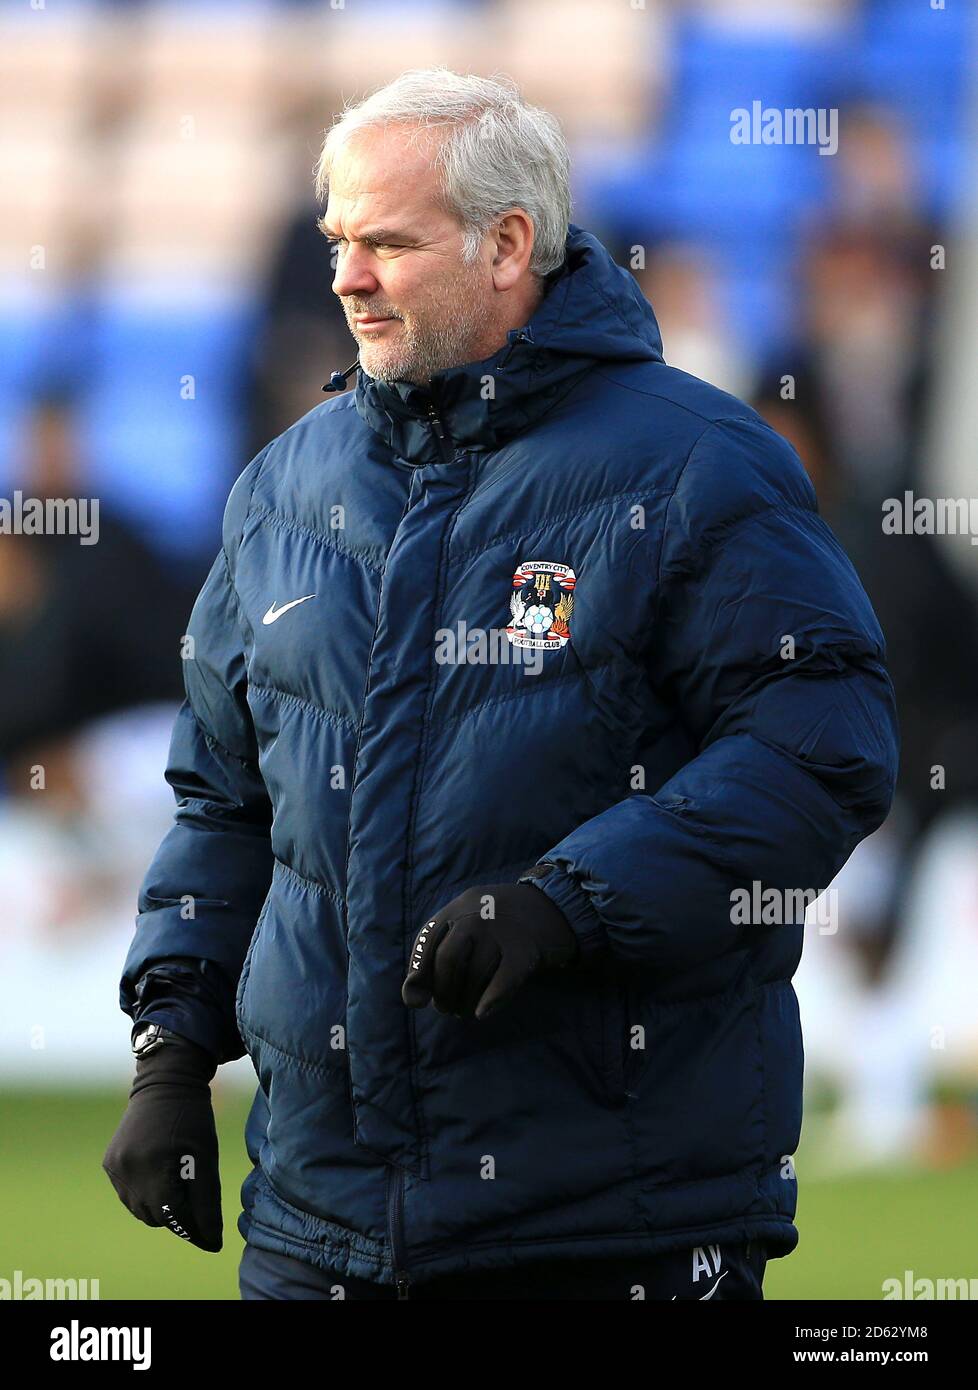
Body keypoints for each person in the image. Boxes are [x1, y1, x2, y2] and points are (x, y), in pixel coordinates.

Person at [102, 68, 899, 1301]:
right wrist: (169, 1053)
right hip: (314, 1234)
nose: (345, 277)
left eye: (386, 242)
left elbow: (823, 748)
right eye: (335, 242)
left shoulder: (700, 464)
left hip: (605, 1229)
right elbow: (221, 804)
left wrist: (569, 903)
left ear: (509, 243)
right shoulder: (279, 490)